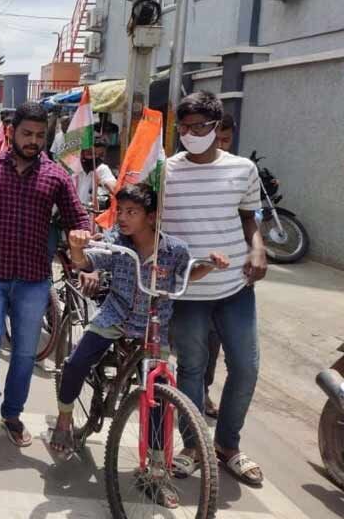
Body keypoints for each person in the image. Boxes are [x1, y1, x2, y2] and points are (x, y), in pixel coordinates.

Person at [53, 184, 228, 507]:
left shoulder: (174, 250)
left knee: (160, 395)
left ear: (151, 217)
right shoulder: (116, 244)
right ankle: (64, 420)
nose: (122, 218)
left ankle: (156, 469)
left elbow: (189, 274)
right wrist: (77, 248)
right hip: (116, 316)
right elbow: (86, 262)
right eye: (120, 211)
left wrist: (211, 265)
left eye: (131, 212)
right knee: (77, 362)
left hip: (153, 328)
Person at [0, 102, 90, 446]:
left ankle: (12, 414)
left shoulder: (57, 176)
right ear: (12, 132)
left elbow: (79, 219)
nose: (33, 141)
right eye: (26, 134)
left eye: (39, 136)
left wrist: (82, 237)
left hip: (34, 279)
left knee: (25, 353)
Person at [165, 91, 266, 487]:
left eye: (199, 127)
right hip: (188, 292)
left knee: (245, 367)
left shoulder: (242, 170)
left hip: (235, 289)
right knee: (191, 369)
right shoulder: (165, 171)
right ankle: (193, 447)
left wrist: (258, 249)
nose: (190, 134)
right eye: (184, 128)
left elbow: (249, 220)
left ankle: (227, 444)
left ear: (216, 126)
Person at [202, 113, 238, 418]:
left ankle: (202, 392)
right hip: (188, 273)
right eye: (218, 138)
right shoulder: (180, 170)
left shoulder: (238, 172)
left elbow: (251, 220)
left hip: (225, 278)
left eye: (227, 140)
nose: (221, 145)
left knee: (215, 344)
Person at [75, 137, 117, 207]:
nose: (95, 158)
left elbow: (114, 187)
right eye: (90, 153)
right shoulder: (72, 169)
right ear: (81, 153)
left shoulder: (101, 169)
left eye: (101, 155)